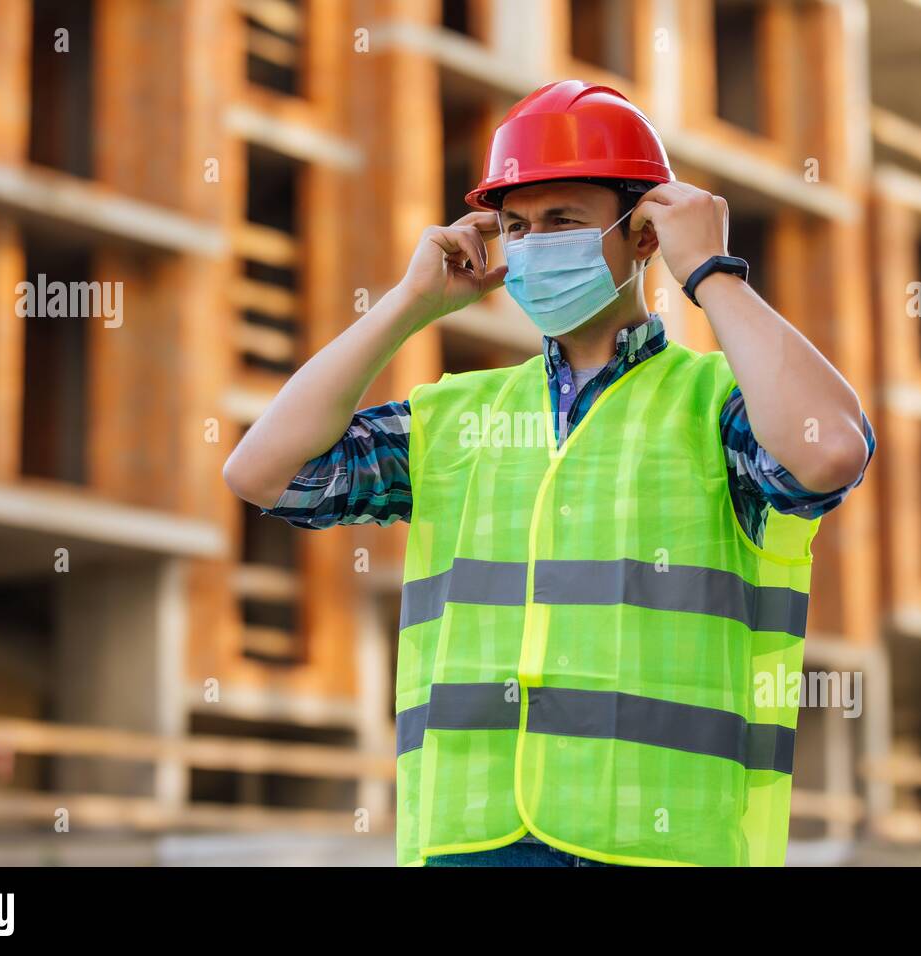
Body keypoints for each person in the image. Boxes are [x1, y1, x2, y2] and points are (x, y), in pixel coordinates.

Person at [224, 80, 875, 867]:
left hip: (655, 847)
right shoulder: (456, 417)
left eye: (564, 221)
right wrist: (406, 306)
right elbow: (263, 472)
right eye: (517, 227)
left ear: (642, 238)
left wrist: (713, 272)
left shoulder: (717, 407)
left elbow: (830, 451)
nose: (535, 246)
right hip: (473, 839)